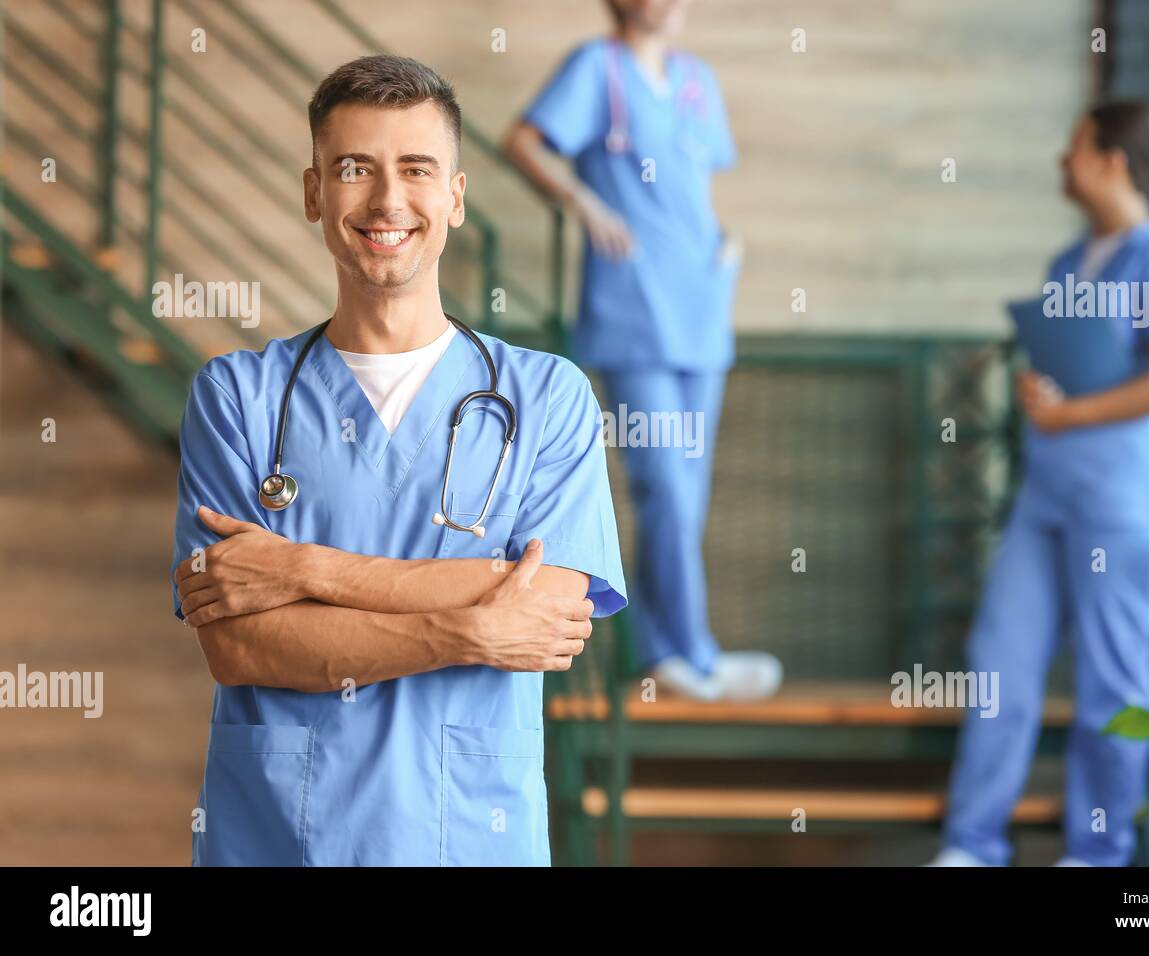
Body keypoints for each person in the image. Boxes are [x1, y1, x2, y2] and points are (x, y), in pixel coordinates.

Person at [170, 55, 626, 866]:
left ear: (454, 196)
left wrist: (305, 570)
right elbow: (239, 647)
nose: (387, 200)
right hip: (280, 842)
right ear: (314, 193)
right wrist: (469, 629)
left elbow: (552, 606)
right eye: (354, 169)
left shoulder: (546, 397)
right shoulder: (237, 397)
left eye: (417, 169)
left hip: (471, 840)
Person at [929, 100, 1149, 867]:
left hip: (1123, 506)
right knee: (1000, 662)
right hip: (1046, 500)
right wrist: (1041, 400)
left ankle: (1099, 853)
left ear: (1112, 162)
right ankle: (972, 844)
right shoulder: (1068, 261)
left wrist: (1073, 413)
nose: (1063, 161)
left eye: (1074, 149)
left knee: (1112, 681)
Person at [502, 0, 781, 701]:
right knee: (667, 491)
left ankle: (685, 652)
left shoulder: (696, 79)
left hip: (701, 301)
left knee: (693, 492)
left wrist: (730, 238)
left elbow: (698, 184)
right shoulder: (597, 70)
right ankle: (680, 654)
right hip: (635, 307)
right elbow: (524, 141)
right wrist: (585, 204)